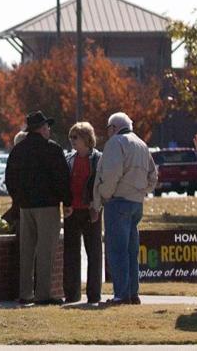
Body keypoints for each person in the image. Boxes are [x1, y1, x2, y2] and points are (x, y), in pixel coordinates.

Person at [91, 112, 157, 306]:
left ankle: (121, 295)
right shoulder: (141, 144)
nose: (107, 132)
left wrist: (104, 195)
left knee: (117, 250)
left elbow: (111, 174)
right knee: (131, 251)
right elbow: (153, 177)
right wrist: (140, 190)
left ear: (114, 127)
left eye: (108, 128)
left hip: (118, 201)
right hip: (136, 203)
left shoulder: (116, 143)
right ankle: (132, 293)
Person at [4, 111, 70, 305]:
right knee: (45, 251)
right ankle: (43, 294)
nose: (48, 129)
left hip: (25, 207)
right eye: (47, 126)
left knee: (26, 251)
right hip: (48, 207)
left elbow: (10, 179)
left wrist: (18, 199)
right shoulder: (52, 150)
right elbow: (61, 178)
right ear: (41, 128)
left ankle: (25, 293)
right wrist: (66, 202)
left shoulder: (18, 150)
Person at [62, 122, 101, 305]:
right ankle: (71, 294)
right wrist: (66, 204)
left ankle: (93, 295)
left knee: (93, 253)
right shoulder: (69, 158)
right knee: (71, 254)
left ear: (86, 138)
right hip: (72, 211)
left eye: (75, 138)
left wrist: (97, 206)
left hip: (90, 211)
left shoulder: (97, 159)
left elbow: (101, 184)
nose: (72, 142)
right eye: (71, 138)